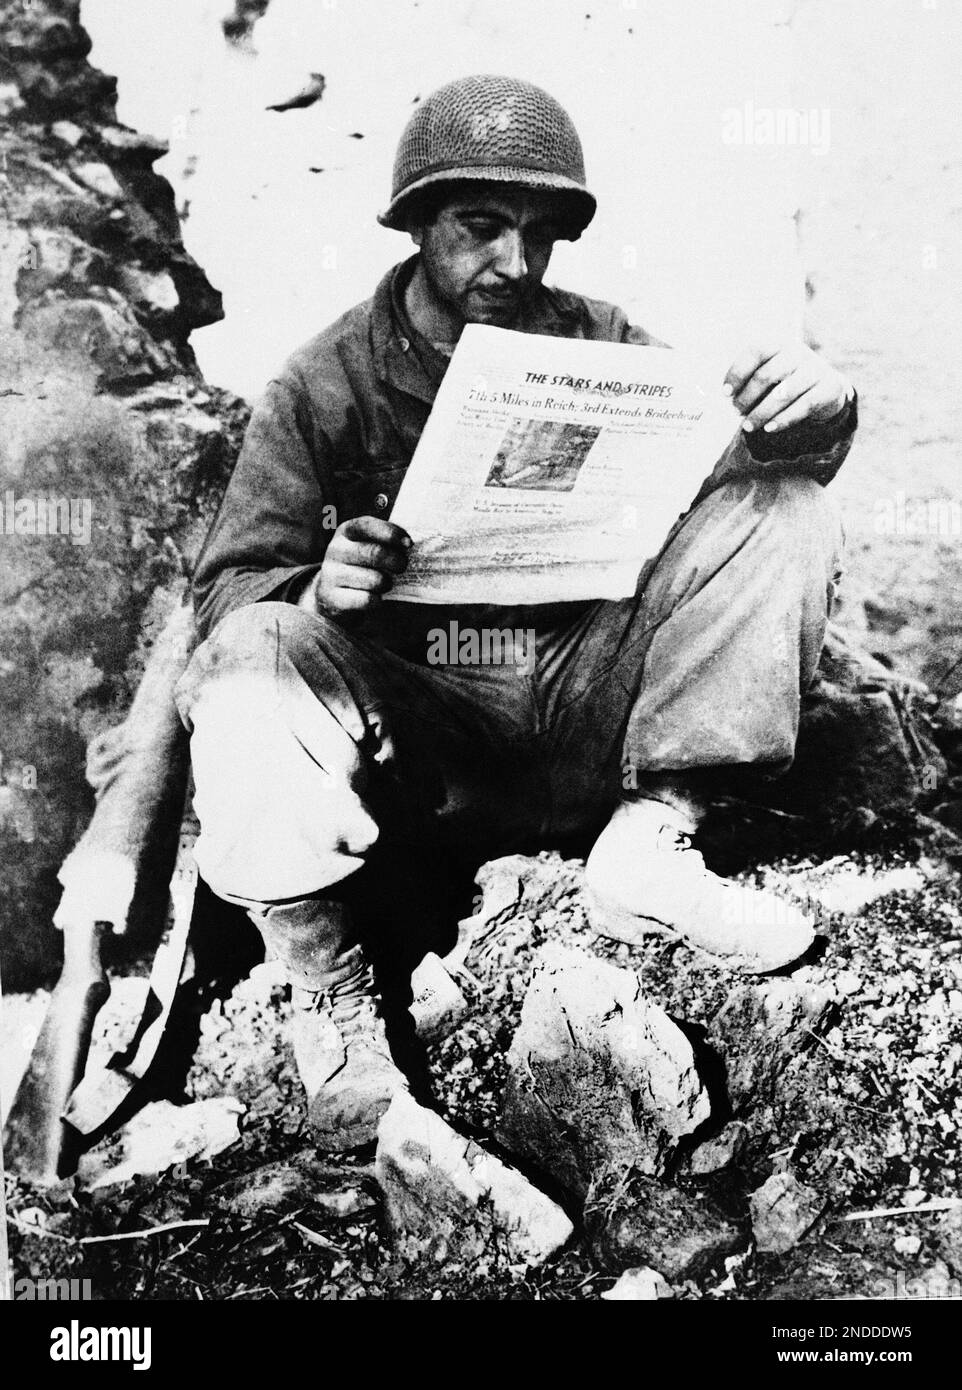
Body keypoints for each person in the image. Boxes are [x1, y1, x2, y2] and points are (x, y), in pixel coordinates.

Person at [176, 74, 857, 1151]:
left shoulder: (600, 338)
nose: (515, 264)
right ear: (412, 223)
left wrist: (816, 417)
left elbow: (732, 486)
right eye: (480, 227)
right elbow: (224, 599)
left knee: (781, 502)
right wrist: (316, 587)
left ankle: (652, 841)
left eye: (540, 235)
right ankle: (324, 983)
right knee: (255, 649)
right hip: (433, 752)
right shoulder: (321, 383)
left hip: (593, 708)